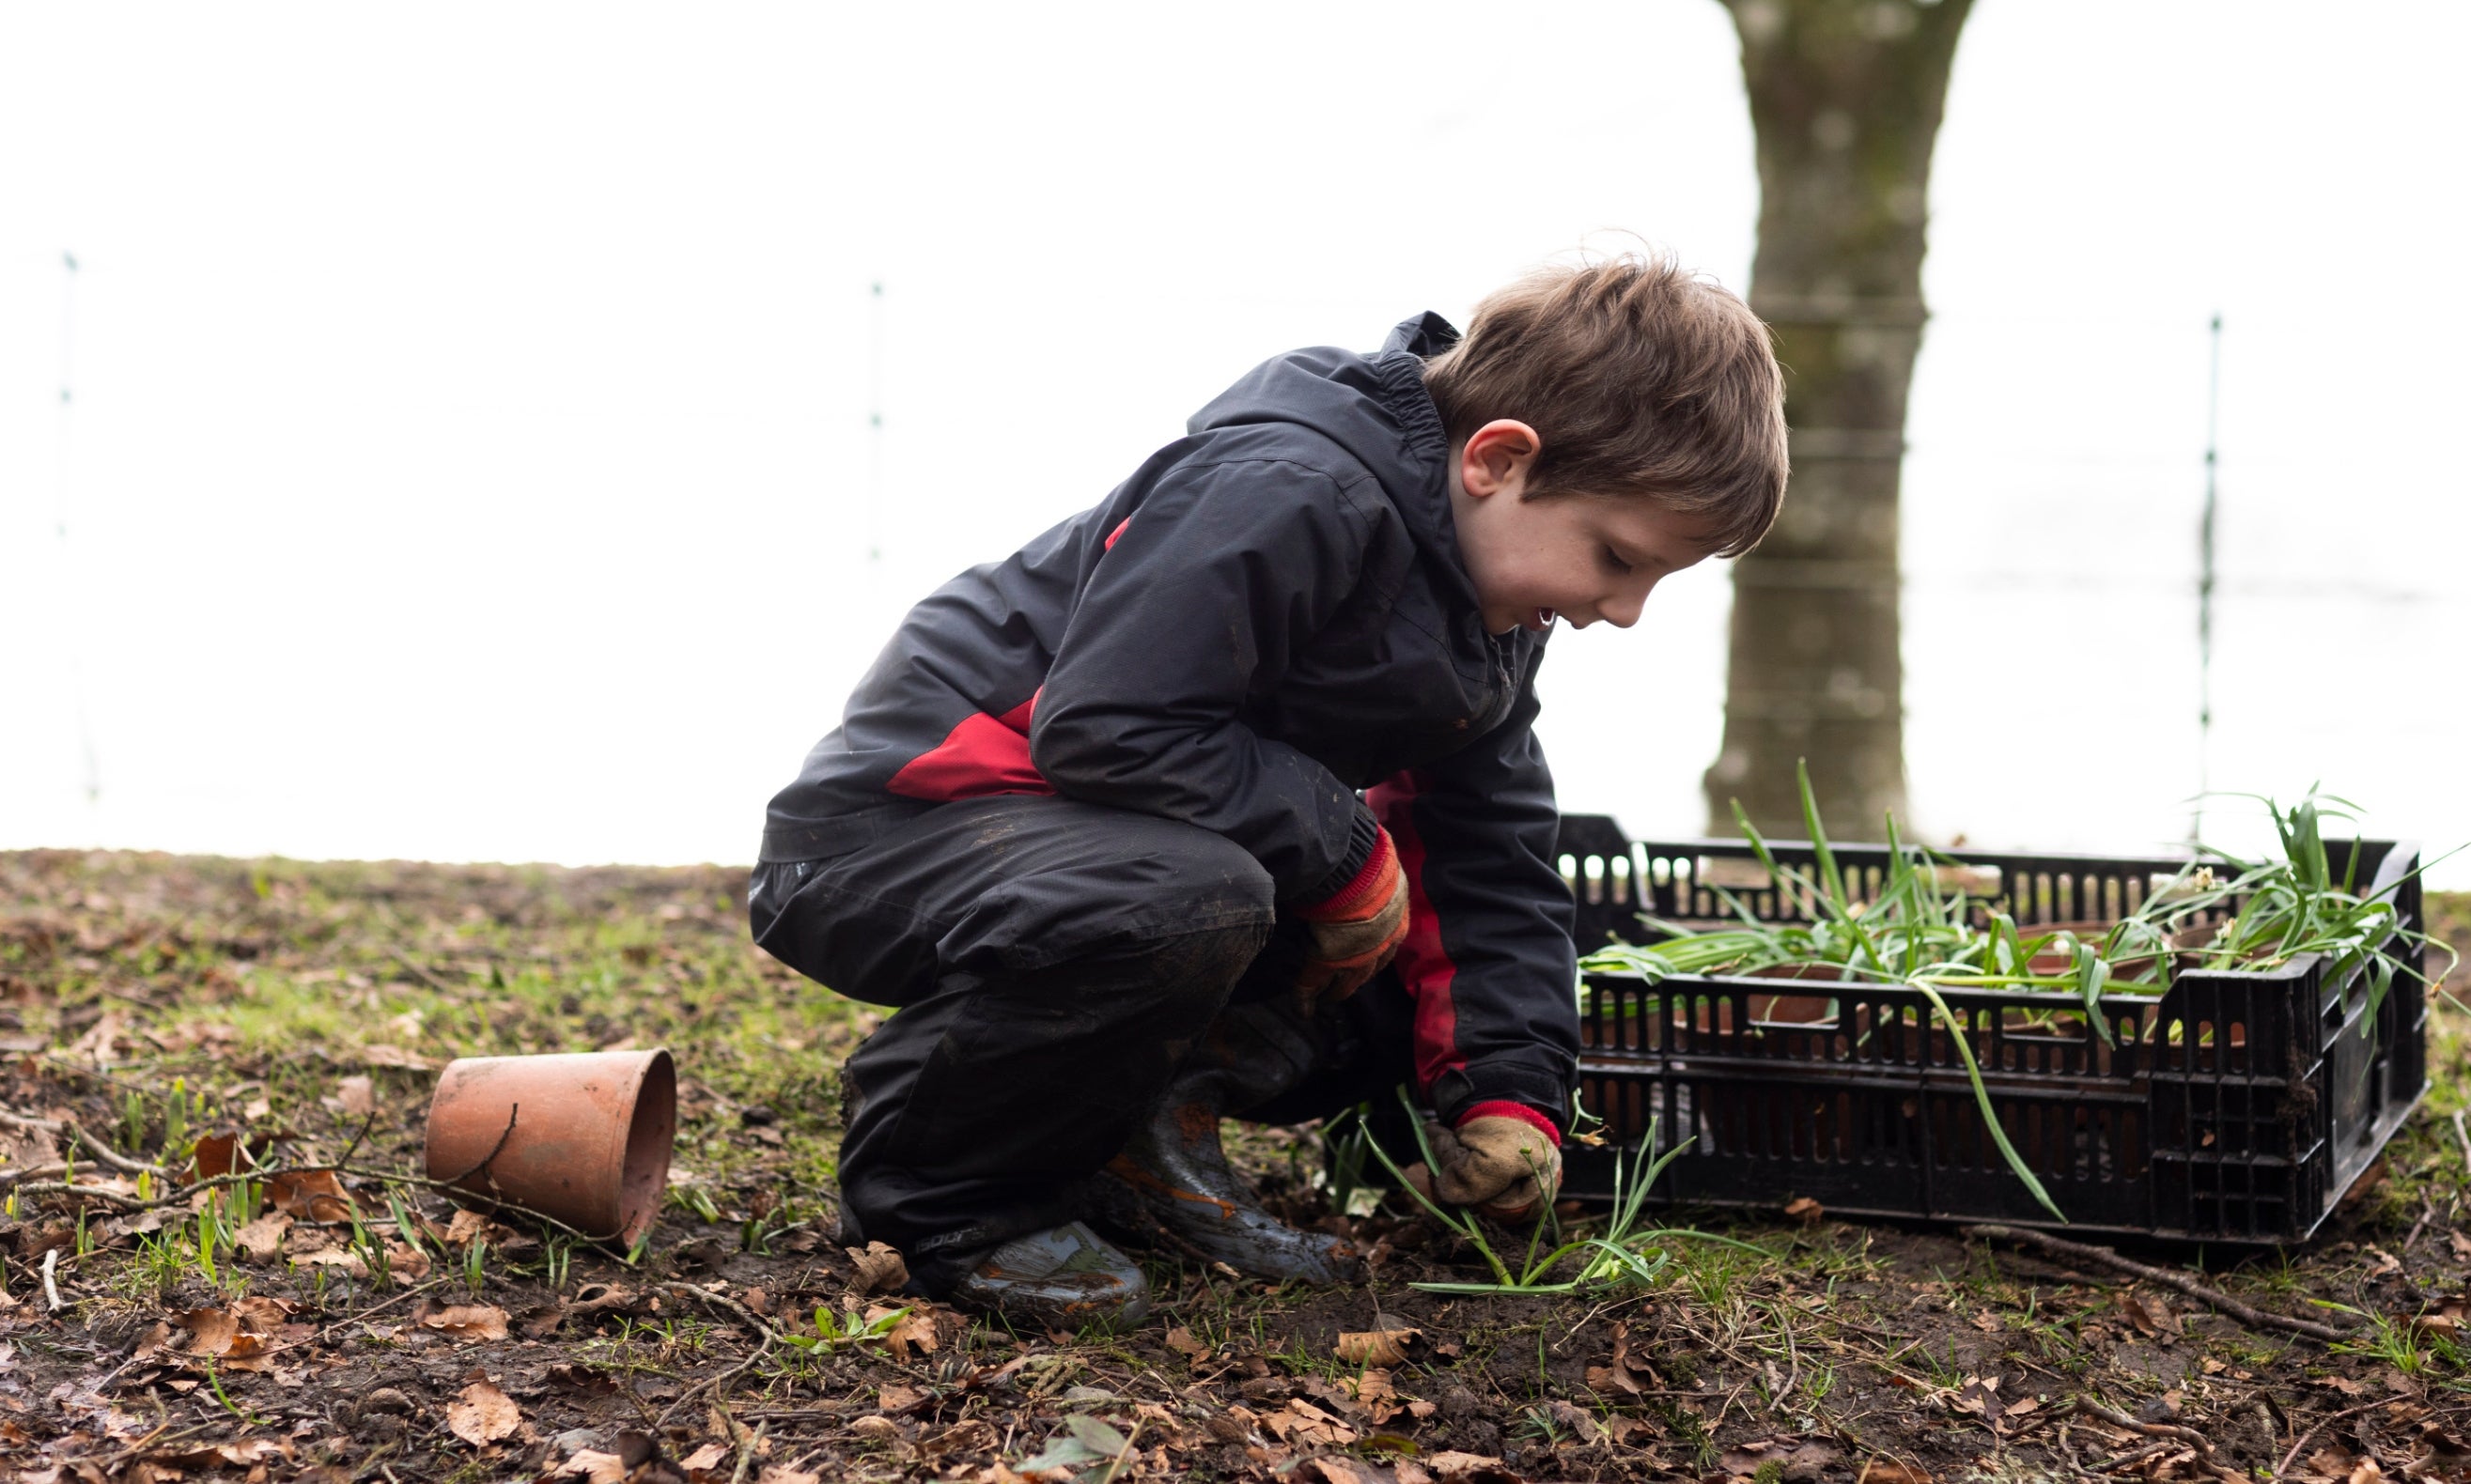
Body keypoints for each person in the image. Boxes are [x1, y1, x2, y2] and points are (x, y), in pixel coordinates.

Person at [750, 253, 1787, 1329]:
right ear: (1497, 459)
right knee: (1199, 895)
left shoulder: (1487, 617)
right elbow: (1111, 724)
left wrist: (1511, 1093)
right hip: (894, 833)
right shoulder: (1288, 486)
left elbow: (1486, 854)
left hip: (1114, 848)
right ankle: (947, 1197)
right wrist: (1345, 854)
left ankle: (1122, 1134)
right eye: (1615, 557)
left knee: (1387, 951)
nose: (1621, 609)